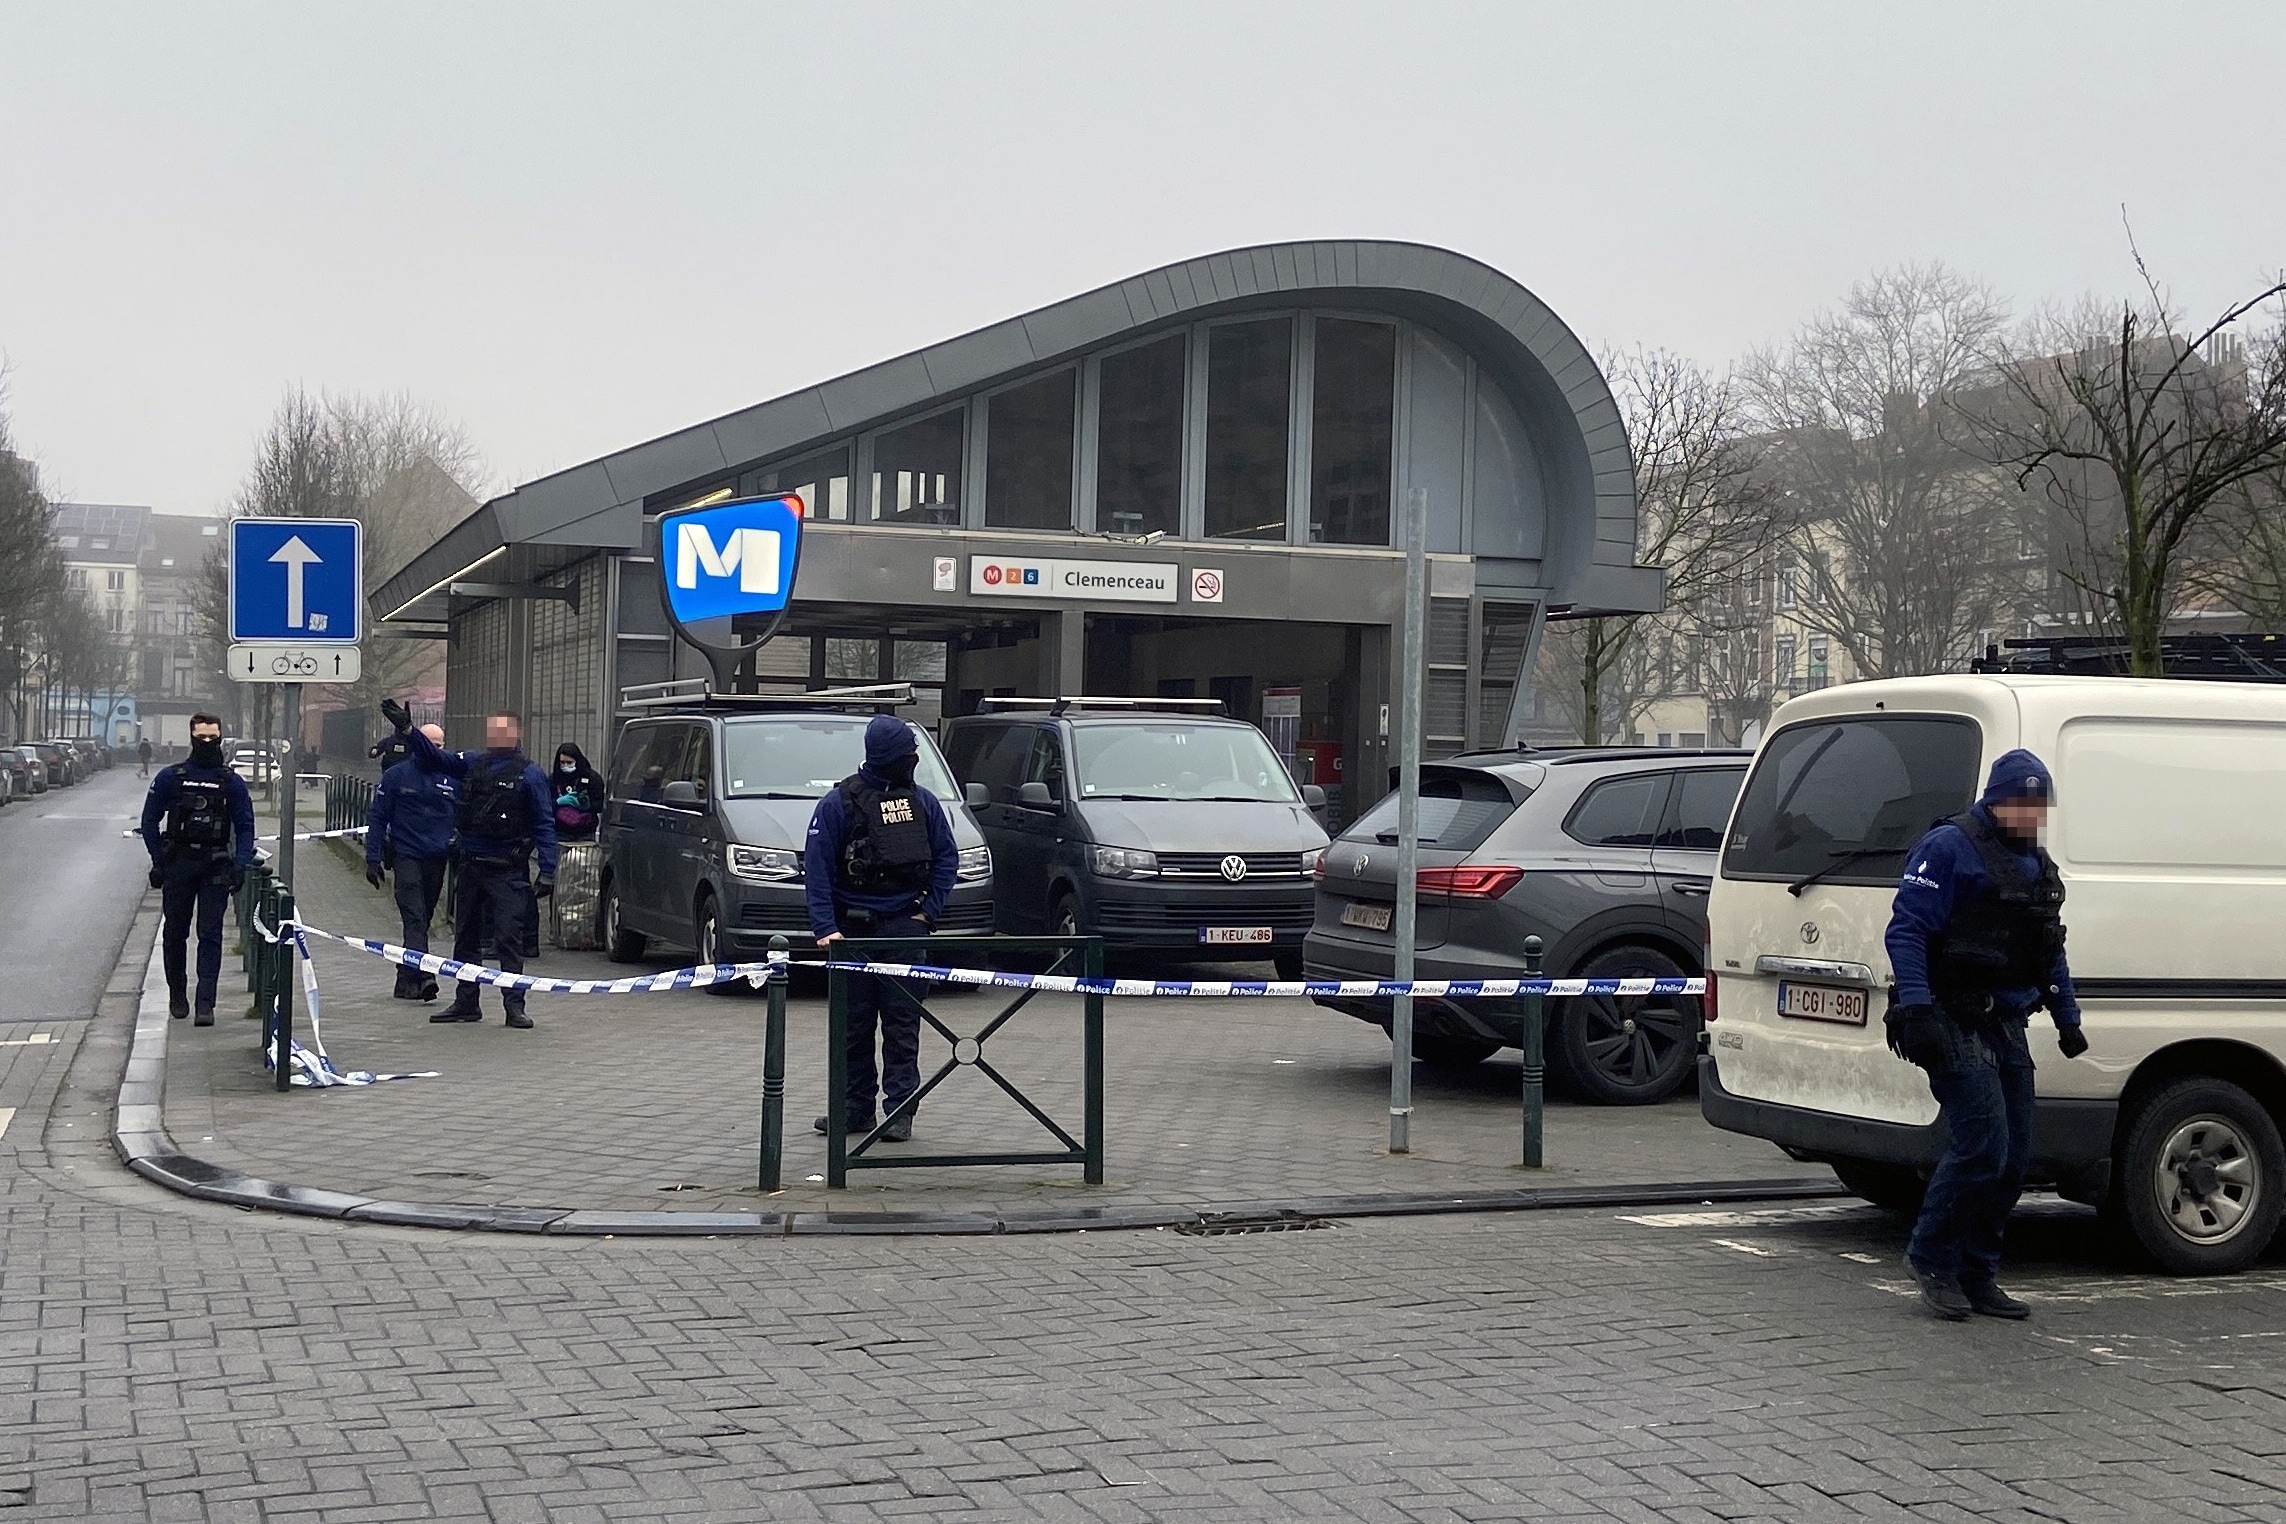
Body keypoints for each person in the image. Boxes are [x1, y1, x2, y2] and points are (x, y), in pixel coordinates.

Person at [1884, 749, 2086, 1323]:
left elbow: (2049, 950)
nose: (2034, 816)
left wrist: (2068, 1019)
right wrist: (1918, 1009)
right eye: (2025, 804)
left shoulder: (2036, 865)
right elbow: (1907, 931)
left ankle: (1978, 1274)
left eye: (2040, 806)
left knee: (2014, 1157)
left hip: (2006, 1021)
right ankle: (1931, 1260)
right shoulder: (1949, 848)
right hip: (1949, 1015)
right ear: (1998, 802)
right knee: (1983, 1146)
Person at [803, 714, 957, 1143]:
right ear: (891, 756)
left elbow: (947, 858)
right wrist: (825, 927)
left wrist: (929, 912)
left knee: (902, 1027)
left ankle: (900, 1113)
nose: (914, 759)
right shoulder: (838, 803)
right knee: (852, 1028)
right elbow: (817, 869)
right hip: (851, 935)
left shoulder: (923, 802)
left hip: (904, 930)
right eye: (909, 753)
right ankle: (854, 1111)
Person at [383, 701, 557, 1029]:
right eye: (494, 729)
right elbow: (436, 759)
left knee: (508, 940)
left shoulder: (530, 774)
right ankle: (466, 1001)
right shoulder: (473, 762)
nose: (498, 735)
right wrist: (408, 731)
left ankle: (514, 1006)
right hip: (471, 867)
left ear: (517, 734)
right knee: (466, 939)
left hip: (507, 870)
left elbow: (545, 823)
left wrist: (548, 869)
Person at [138, 712, 255, 1025]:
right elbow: (149, 821)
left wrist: (241, 864)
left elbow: (246, 826)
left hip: (215, 864)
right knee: (175, 933)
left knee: (211, 934)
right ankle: (177, 993)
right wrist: (158, 861)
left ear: (220, 737)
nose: (207, 742)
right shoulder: (171, 777)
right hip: (179, 863)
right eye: (201, 737)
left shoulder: (230, 782)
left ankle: (206, 1003)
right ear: (191, 737)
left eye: (212, 737)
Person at [364, 724, 457, 1002]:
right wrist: (372, 858)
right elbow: (378, 817)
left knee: (422, 919)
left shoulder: (452, 777)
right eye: (429, 744)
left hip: (437, 858)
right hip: (406, 856)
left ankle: (405, 980)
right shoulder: (397, 776)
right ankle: (425, 973)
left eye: (439, 746)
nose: (434, 751)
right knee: (414, 916)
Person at [550, 743, 605, 842]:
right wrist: (558, 802)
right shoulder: (554, 779)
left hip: (585, 831)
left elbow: (601, 805)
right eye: (562, 762)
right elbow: (544, 805)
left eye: (569, 762)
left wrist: (586, 805)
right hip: (561, 831)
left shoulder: (592, 778)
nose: (565, 765)